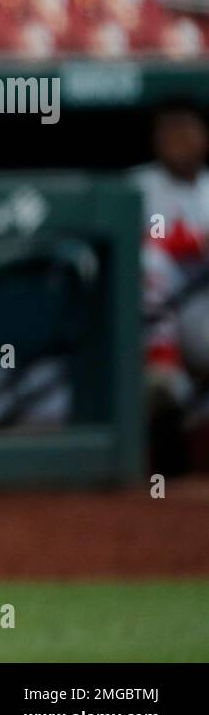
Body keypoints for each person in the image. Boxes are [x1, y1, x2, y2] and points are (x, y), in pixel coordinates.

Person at [131, 106, 209, 475]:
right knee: (150, 261)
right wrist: (195, 241)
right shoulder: (138, 185)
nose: (179, 142)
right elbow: (146, 244)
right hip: (149, 318)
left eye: (186, 131)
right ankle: (163, 378)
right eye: (169, 133)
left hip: (200, 310)